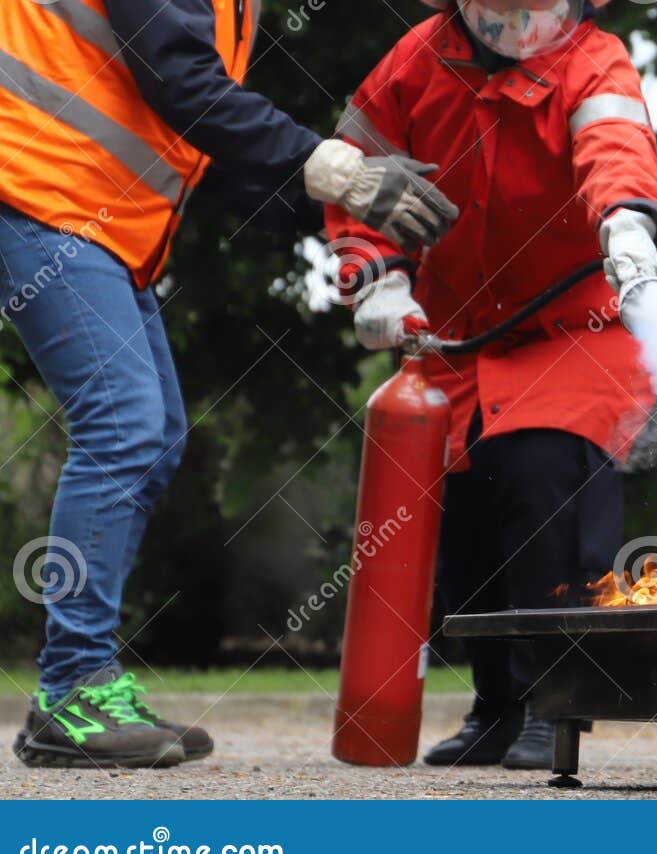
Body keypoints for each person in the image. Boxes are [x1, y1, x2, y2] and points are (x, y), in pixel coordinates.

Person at [3, 0, 458, 769]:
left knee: (151, 436)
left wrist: (339, 204)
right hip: (34, 182)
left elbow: (206, 144)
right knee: (123, 426)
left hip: (86, 208)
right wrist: (342, 173)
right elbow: (183, 83)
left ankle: (83, 683)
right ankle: (72, 689)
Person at [325, 0, 657, 769]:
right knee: (466, 516)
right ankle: (496, 705)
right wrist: (376, 276)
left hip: (577, 329)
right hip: (461, 337)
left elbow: (616, 152)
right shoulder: (416, 61)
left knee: (543, 475)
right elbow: (358, 173)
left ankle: (554, 706)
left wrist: (628, 225)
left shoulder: (594, 60)